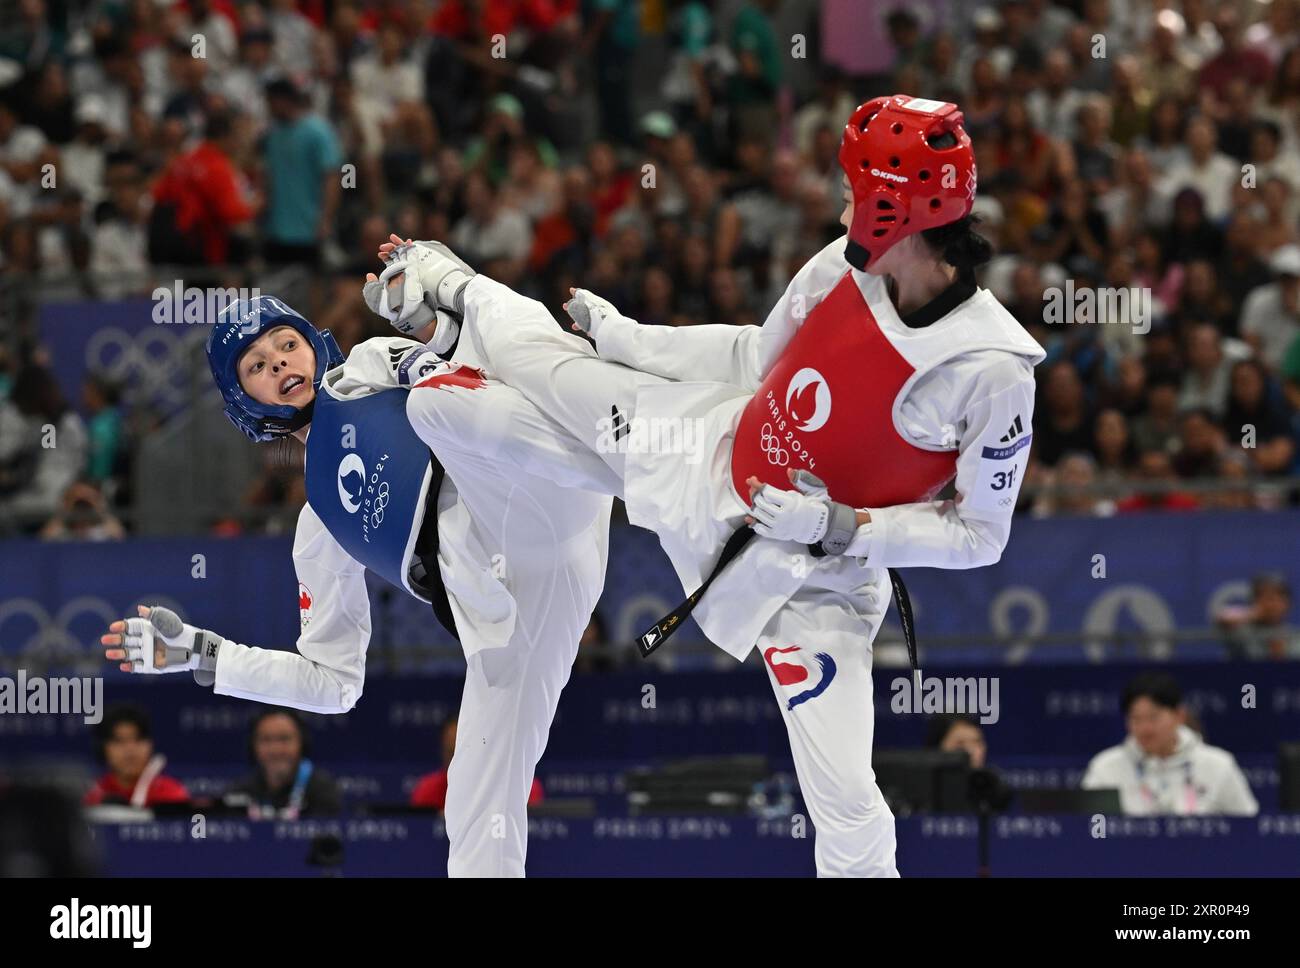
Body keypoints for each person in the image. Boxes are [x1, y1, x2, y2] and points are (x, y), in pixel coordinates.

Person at [375, 95, 1046, 877]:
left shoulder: (991, 370)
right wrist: (631, 339)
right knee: (542, 368)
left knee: (844, 795)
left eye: (853, 190)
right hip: (699, 451)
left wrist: (844, 527)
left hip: (813, 582)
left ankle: (442, 357)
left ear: (895, 207)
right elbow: (754, 358)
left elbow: (980, 535)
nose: (840, 205)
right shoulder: (840, 267)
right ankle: (446, 282)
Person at [101, 290, 616, 876]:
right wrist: (203, 653)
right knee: (476, 803)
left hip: (542, 491)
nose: (279, 364)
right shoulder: (319, 529)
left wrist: (433, 305)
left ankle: (660, 442)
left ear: (315, 347)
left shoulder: (371, 365)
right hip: (521, 614)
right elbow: (334, 683)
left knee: (445, 396)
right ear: (245, 403)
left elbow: (458, 382)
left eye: (287, 345)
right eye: (257, 366)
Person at [1081, 672, 1259, 816]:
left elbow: (1248, 828)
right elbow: (1088, 832)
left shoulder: (1218, 765)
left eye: (1153, 717)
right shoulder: (1105, 768)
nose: (1145, 728)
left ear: (1179, 716)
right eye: (1136, 719)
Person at [410, 715, 543, 811]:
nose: (458, 764)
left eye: (464, 755)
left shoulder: (522, 786)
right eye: (451, 753)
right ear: (442, 751)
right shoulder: (427, 790)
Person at [225, 707, 341, 818]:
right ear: (253, 746)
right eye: (266, 739)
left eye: (284, 739)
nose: (275, 750)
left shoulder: (323, 791)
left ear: (302, 743)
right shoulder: (239, 792)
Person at [84, 704, 190, 809]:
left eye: (138, 739)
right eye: (119, 740)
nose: (130, 749)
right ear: (103, 748)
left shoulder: (171, 794)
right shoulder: (91, 797)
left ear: (150, 745)